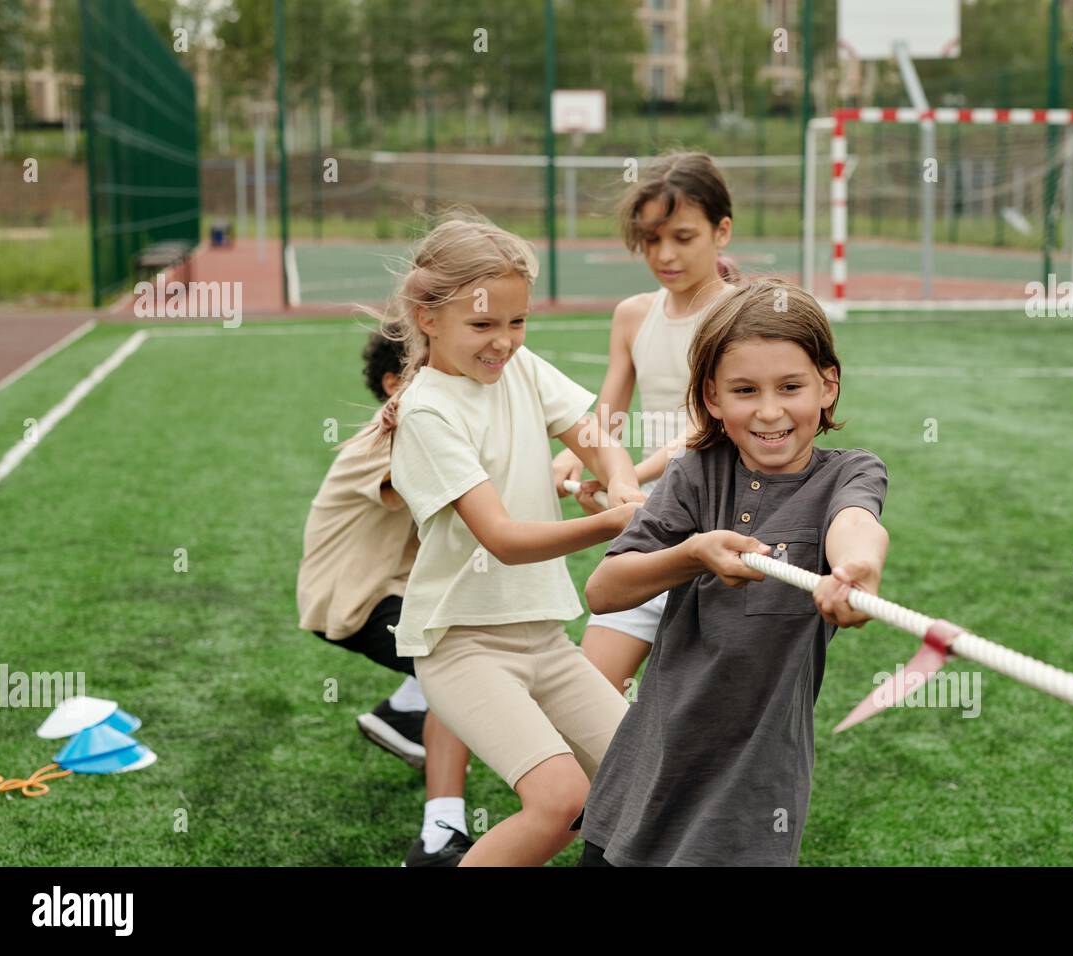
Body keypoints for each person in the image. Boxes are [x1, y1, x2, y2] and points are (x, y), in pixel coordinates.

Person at [574, 278, 891, 866]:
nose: (769, 411)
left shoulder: (848, 473)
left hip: (752, 789)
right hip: (648, 764)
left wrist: (857, 569)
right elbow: (603, 591)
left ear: (828, 386)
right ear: (711, 399)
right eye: (744, 390)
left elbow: (857, 524)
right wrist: (691, 553)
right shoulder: (695, 474)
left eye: (790, 387)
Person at [377, 213, 645, 866]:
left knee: (644, 778)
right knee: (559, 800)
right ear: (427, 314)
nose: (503, 342)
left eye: (517, 322)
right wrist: (610, 522)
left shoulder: (522, 368)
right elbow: (499, 537)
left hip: (544, 638)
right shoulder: (427, 412)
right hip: (464, 648)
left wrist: (620, 480)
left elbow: (592, 432)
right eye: (483, 325)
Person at [551, 152, 738, 695]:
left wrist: (625, 476)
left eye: (683, 237)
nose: (665, 254)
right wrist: (569, 461)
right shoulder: (633, 314)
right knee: (591, 694)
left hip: (723, 515)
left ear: (721, 230)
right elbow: (605, 416)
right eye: (651, 241)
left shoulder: (742, 313)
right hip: (650, 525)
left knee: (703, 707)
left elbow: (707, 425)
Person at [297, 331, 475, 866]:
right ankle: (439, 833)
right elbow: (454, 489)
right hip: (350, 600)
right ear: (395, 385)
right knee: (461, 664)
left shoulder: (420, 435)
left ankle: (401, 713)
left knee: (466, 631)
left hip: (388, 590)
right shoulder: (384, 441)